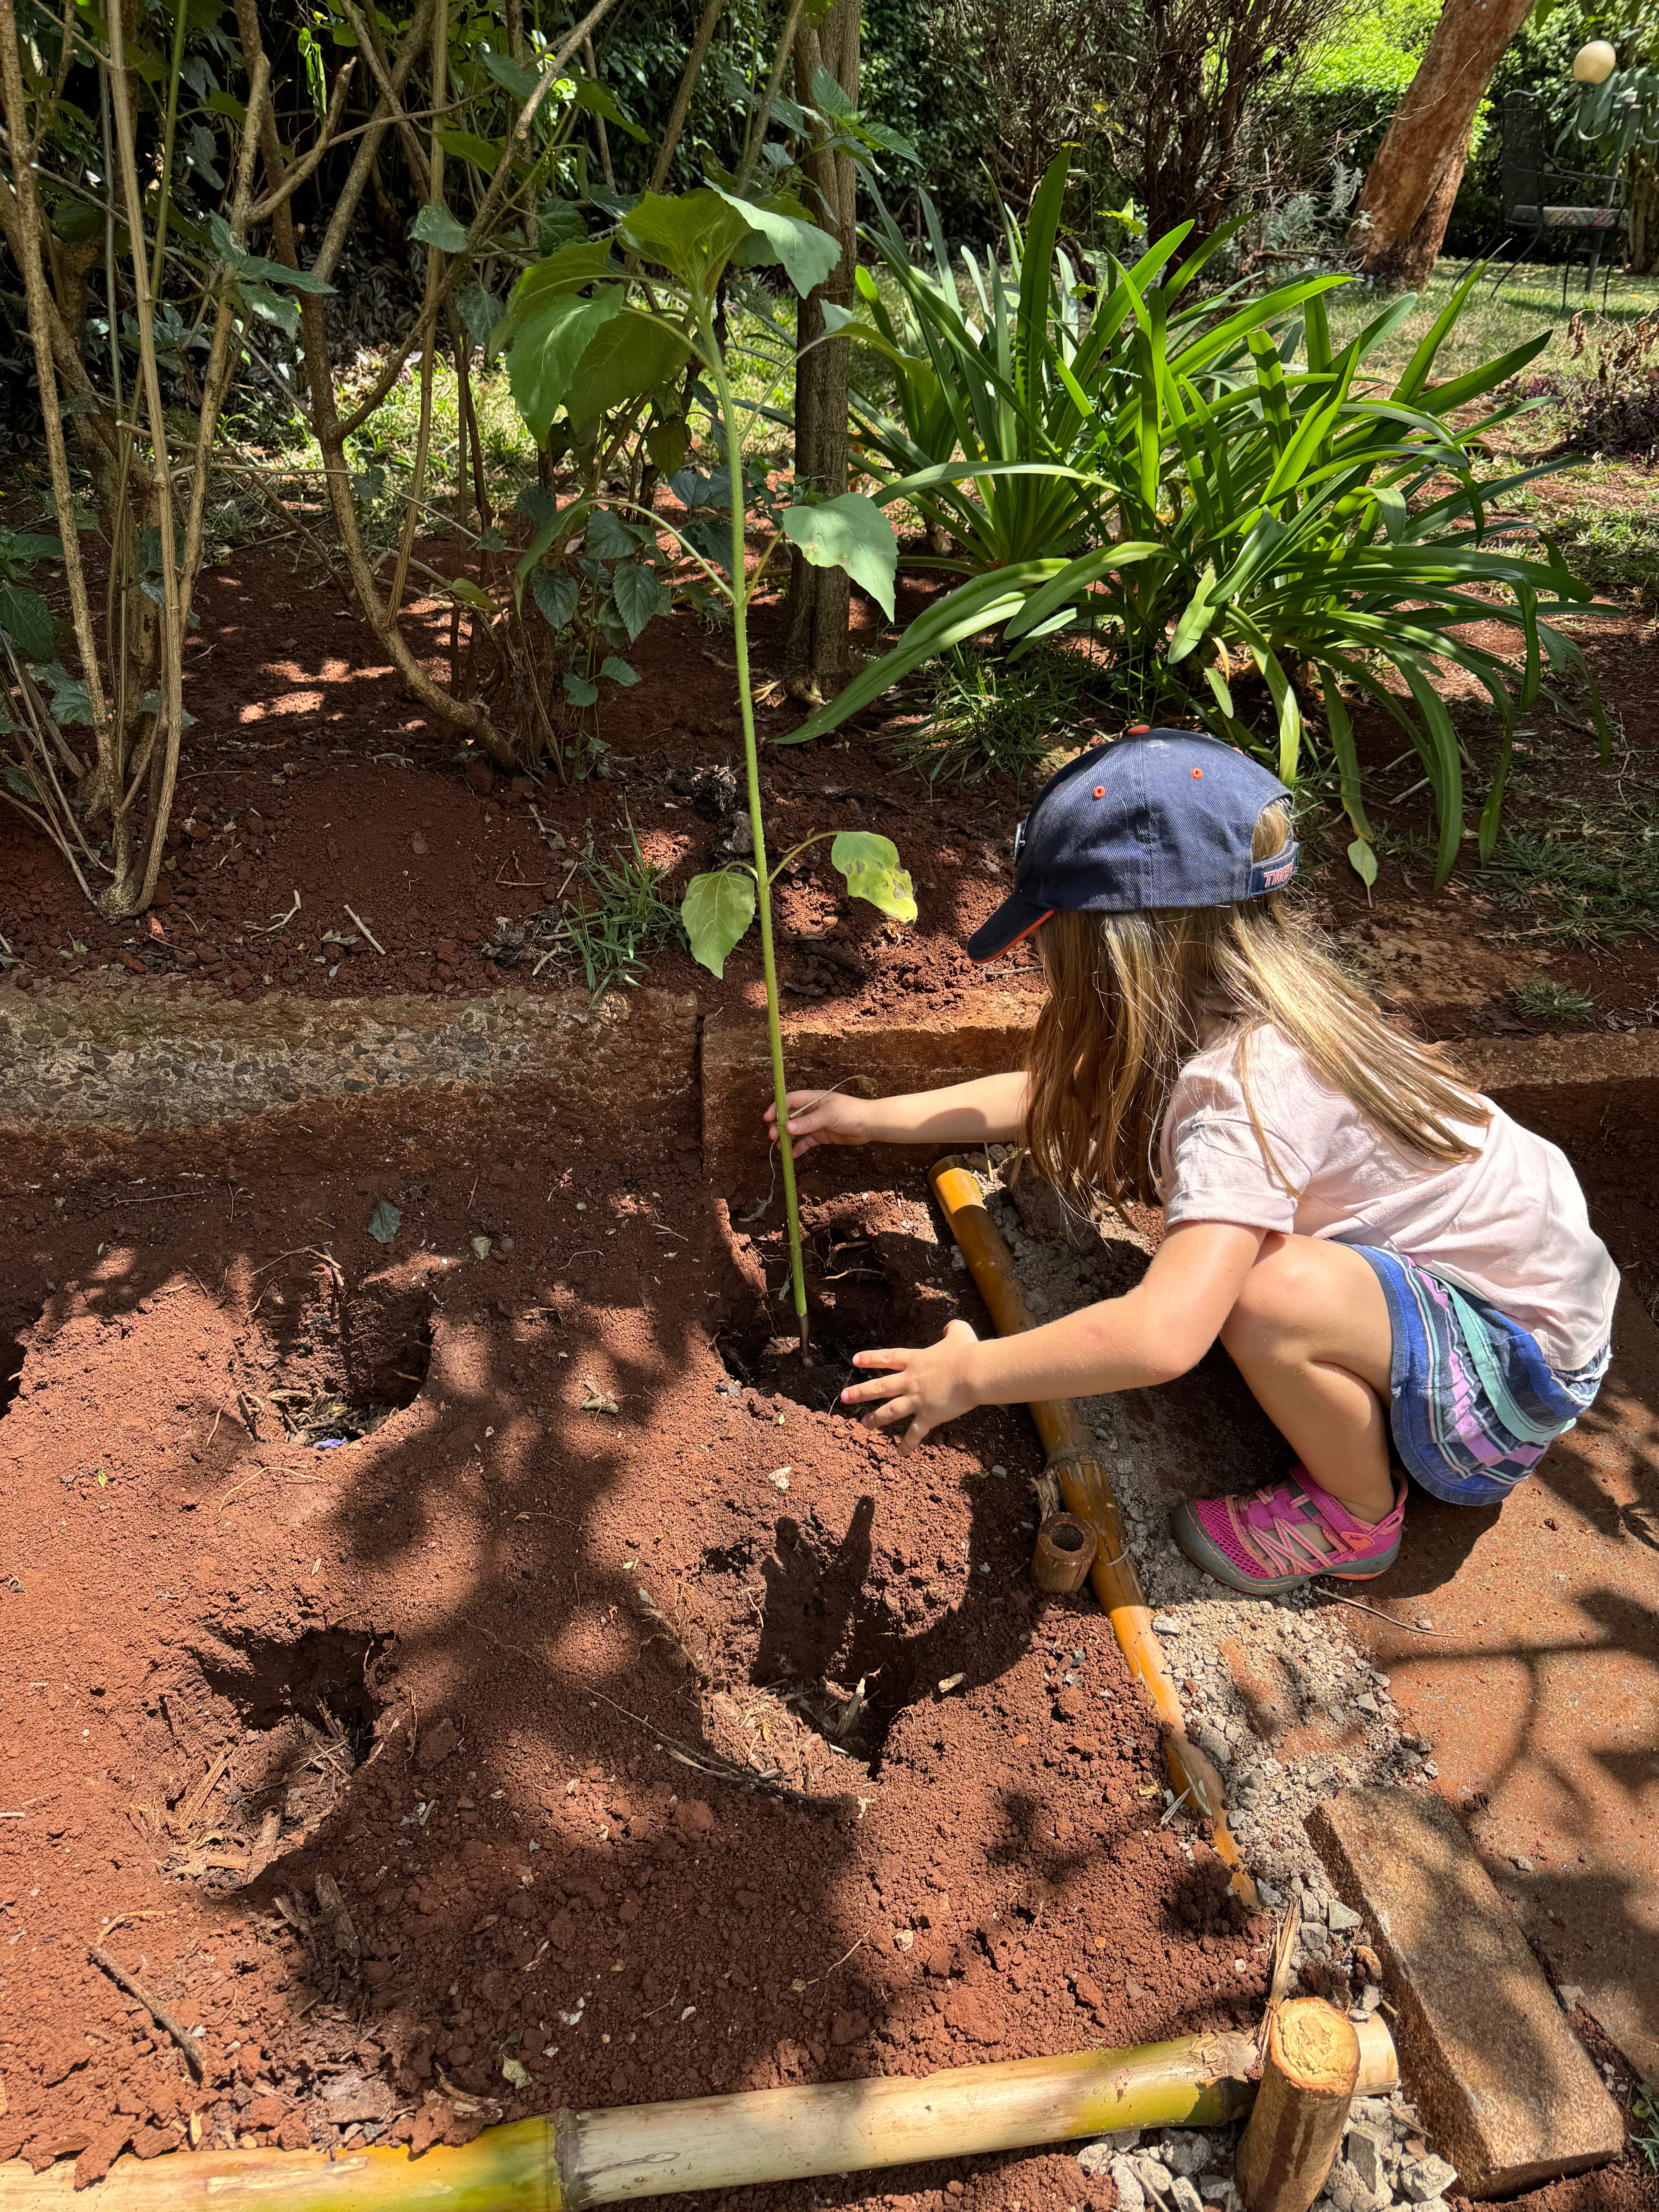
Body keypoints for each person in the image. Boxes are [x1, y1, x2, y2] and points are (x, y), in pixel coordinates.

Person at [763, 729, 1618, 1597]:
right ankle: (1343, 1371)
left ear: (1113, 951)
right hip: (1521, 1295)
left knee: (1257, 1294)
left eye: (1049, 937)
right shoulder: (1259, 995)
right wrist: (870, 1119)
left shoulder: (1242, 1090)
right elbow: (1059, 1094)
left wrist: (972, 1375)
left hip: (1508, 1383)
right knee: (1251, 1282)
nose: (1038, 960)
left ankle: (1357, 1516)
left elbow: (1163, 1337)